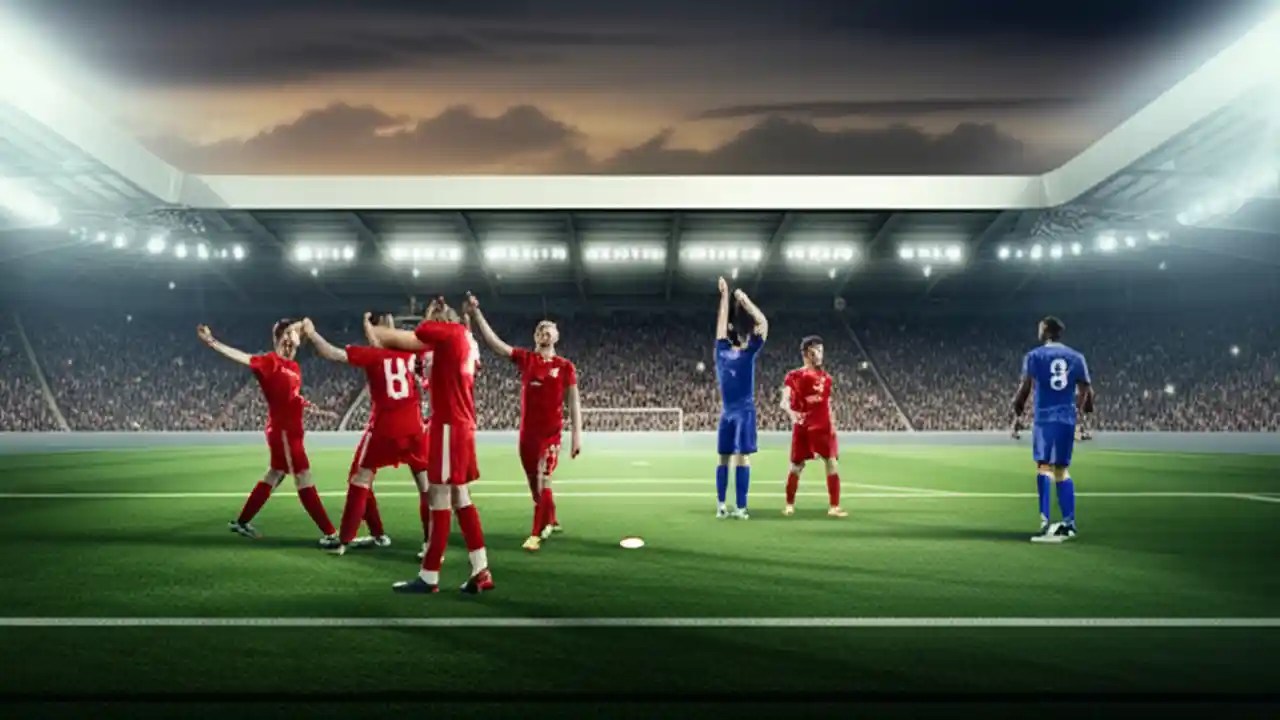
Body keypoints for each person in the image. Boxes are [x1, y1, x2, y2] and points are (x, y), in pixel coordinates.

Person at [369, 297, 493, 595]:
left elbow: (400, 337)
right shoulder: (464, 338)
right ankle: (480, 569)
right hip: (461, 423)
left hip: (448, 425)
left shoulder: (447, 333)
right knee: (460, 496)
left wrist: (369, 325)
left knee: (438, 497)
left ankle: (430, 575)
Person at [196, 319, 338, 544]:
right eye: (295, 332)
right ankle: (330, 534)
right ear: (284, 336)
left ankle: (241, 522)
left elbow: (293, 398)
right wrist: (212, 342)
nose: (299, 337)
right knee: (303, 478)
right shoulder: (269, 362)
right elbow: (242, 357)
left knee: (275, 474)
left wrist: (318, 410)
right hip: (284, 432)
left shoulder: (294, 367)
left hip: (291, 431)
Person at [302, 312, 433, 555]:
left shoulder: (372, 355)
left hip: (385, 426)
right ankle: (429, 545)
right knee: (425, 486)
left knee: (360, 479)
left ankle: (344, 541)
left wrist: (311, 334)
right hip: (415, 427)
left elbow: (331, 352)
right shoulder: (410, 355)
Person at [465, 294, 582, 551]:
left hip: (551, 435)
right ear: (535, 337)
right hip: (527, 436)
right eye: (539, 328)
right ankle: (550, 518)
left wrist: (576, 437)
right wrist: (476, 314)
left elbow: (573, 403)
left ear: (557, 336)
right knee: (535, 488)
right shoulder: (526, 360)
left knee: (544, 478)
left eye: (549, 328)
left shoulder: (565, 367)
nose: (544, 330)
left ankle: (535, 534)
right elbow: (495, 344)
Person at [1011, 316, 1093, 543]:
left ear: (1045, 331)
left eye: (1040, 329)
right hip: (1066, 419)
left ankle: (1044, 521)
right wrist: (1078, 409)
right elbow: (1086, 389)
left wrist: (1017, 409)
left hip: (1044, 418)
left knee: (1043, 467)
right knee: (1062, 470)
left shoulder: (1034, 356)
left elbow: (1025, 388)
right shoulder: (1076, 357)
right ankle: (1069, 522)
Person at [713, 277, 767, 519]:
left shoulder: (742, 353)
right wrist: (729, 297)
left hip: (743, 412)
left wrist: (739, 300)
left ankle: (737, 506)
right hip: (730, 412)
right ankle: (725, 505)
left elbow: (763, 324)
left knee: (738, 456)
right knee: (727, 456)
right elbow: (723, 324)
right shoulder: (725, 352)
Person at [780, 335, 847, 518]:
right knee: (796, 466)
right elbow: (784, 402)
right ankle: (789, 505)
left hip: (824, 426)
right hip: (803, 427)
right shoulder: (794, 376)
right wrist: (793, 415)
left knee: (831, 463)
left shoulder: (827, 378)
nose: (820, 354)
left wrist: (833, 424)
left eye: (822, 350)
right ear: (807, 353)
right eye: (817, 350)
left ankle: (834, 507)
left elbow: (828, 403)